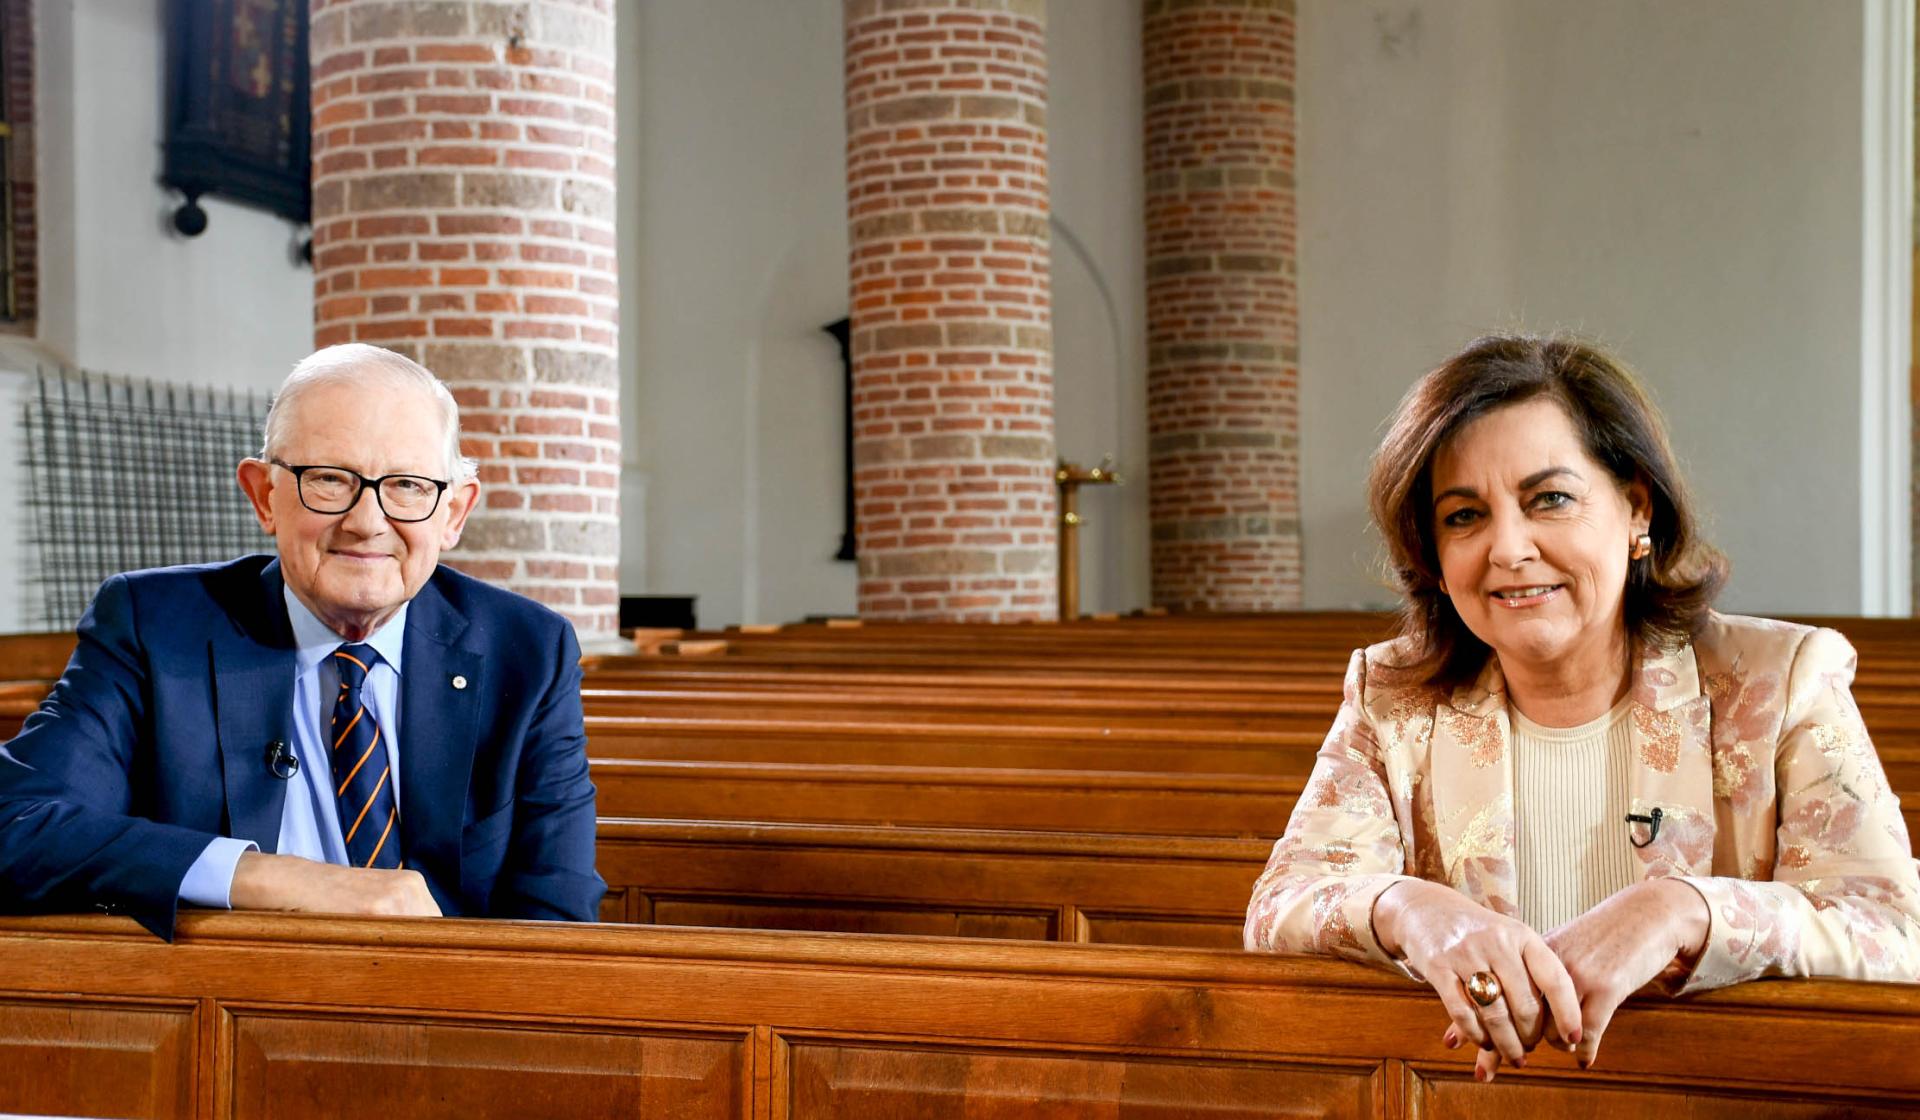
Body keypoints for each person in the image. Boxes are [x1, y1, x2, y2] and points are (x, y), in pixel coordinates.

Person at [1244, 334, 1920, 1080]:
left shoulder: (1779, 681)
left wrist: (1684, 910)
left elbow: (1895, 935)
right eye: (1464, 516)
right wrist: (1411, 910)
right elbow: (1281, 906)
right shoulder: (1393, 699)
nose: (1508, 548)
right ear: (1433, 557)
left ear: (1636, 508)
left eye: (1550, 500)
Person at [0, 344, 604, 938]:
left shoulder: (529, 652)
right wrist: (271, 878)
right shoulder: (154, 628)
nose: (367, 521)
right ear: (264, 495)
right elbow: (14, 824)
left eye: (409, 487)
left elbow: (560, 922)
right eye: (329, 480)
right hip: (220, 1012)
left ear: (454, 514)